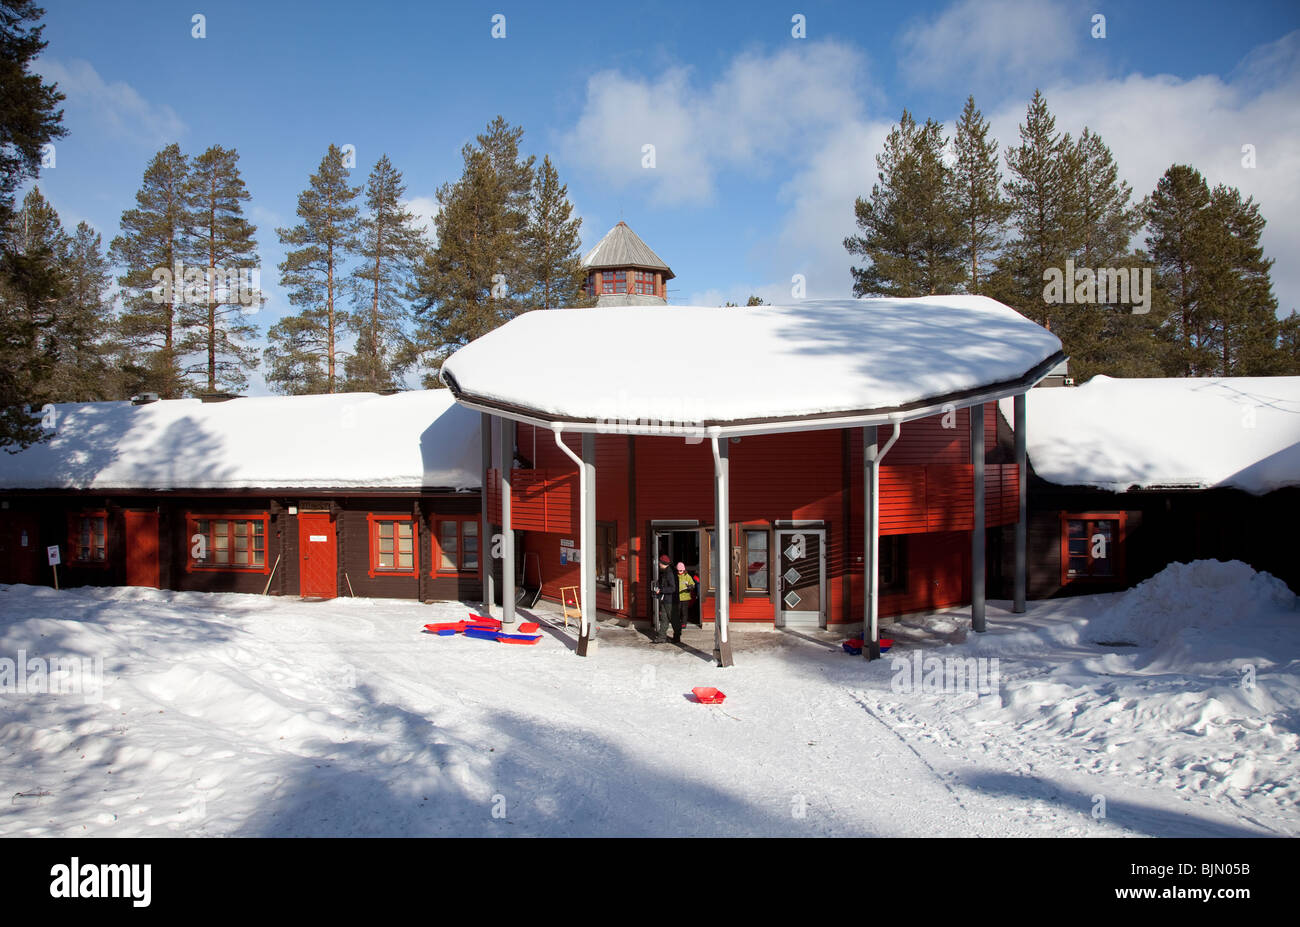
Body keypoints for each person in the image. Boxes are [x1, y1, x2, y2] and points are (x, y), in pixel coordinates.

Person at [653, 553, 676, 643]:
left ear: (663, 563)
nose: (659, 564)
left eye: (660, 562)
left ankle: (676, 637)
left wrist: (661, 590)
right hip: (665, 599)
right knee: (664, 618)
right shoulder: (664, 572)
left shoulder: (669, 573)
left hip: (670, 600)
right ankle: (661, 637)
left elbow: (672, 588)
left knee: (672, 619)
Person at [673, 561, 696, 643]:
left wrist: (689, 587)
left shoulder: (687, 576)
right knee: (678, 610)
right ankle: (678, 623)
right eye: (678, 571)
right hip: (678, 597)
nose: (679, 572)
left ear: (683, 570)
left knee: (684, 611)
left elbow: (693, 584)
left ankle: (684, 623)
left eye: (681, 571)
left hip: (685, 597)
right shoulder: (676, 576)